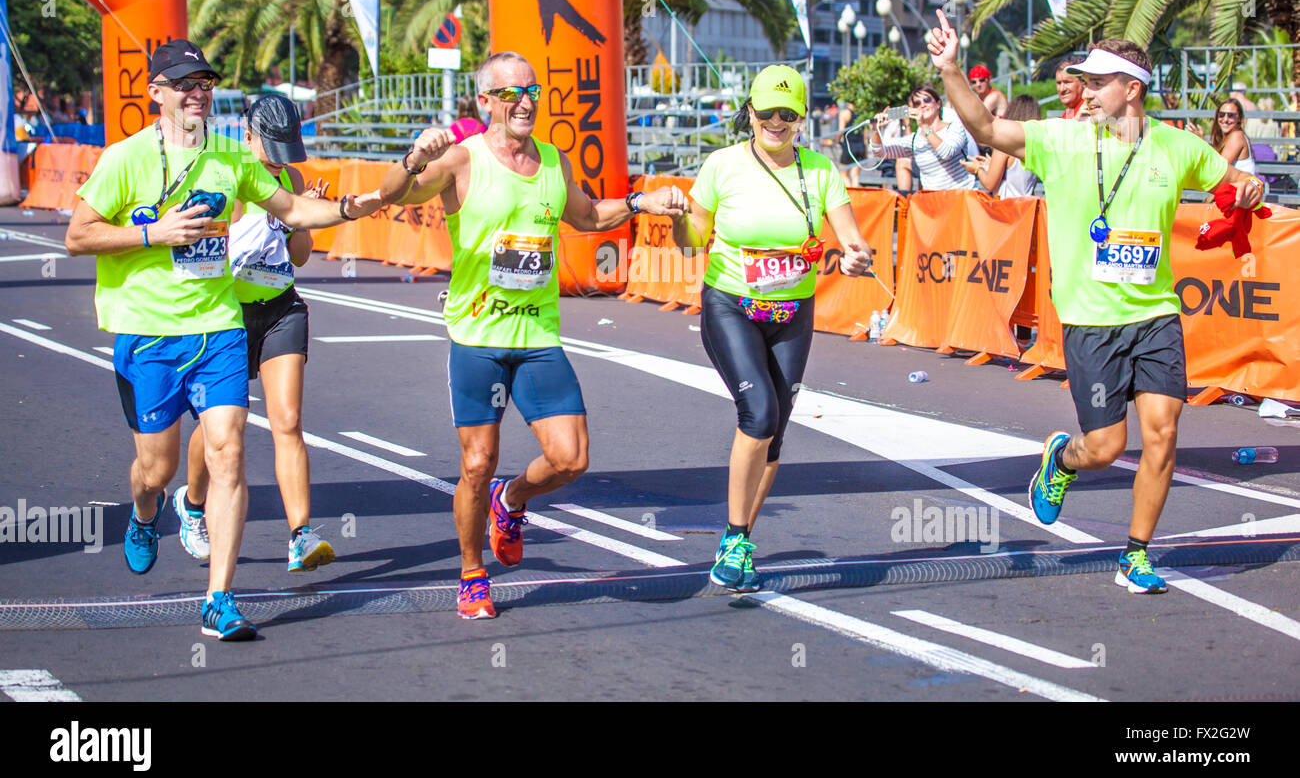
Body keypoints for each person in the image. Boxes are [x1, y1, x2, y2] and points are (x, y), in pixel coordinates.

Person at [926, 14, 1263, 594]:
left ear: (1131, 89)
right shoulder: (1062, 139)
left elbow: (1230, 180)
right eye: (1083, 80)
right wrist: (950, 67)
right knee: (1106, 447)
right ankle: (1061, 463)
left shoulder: (1178, 146)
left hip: (1155, 315)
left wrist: (1248, 187)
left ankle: (1136, 555)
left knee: (1163, 432)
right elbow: (983, 125)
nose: (1085, 89)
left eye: (1098, 81)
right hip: (1091, 324)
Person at [66, 39, 382, 640]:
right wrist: (155, 234)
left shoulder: (231, 160)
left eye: (205, 83)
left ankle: (219, 600)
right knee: (154, 469)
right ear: (156, 92)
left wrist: (349, 207)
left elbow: (293, 210)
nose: (197, 92)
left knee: (230, 454)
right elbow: (78, 237)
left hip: (218, 329)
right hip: (150, 334)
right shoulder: (124, 159)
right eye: (184, 83)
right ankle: (145, 510)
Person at [377, 50, 686, 620]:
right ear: (485, 102)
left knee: (571, 459)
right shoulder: (461, 162)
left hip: (538, 335)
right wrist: (414, 157)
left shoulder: (552, 161)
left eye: (533, 91)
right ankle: (472, 573)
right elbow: (391, 195)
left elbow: (589, 217)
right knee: (476, 463)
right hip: (477, 337)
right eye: (512, 92)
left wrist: (643, 202)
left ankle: (511, 500)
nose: (525, 101)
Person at [671, 64, 873, 592]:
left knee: (776, 432)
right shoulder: (722, 165)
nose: (776, 122)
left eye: (788, 113)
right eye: (767, 112)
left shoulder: (821, 171)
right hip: (731, 305)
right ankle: (736, 537)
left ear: (801, 117)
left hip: (791, 313)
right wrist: (677, 219)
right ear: (751, 113)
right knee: (757, 414)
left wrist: (855, 256)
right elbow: (692, 242)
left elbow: (853, 238)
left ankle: (738, 542)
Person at [180, 93, 334, 574]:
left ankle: (300, 536)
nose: (279, 162)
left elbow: (302, 256)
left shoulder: (291, 177)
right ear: (247, 137)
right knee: (220, 428)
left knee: (287, 421)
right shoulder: (223, 176)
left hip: (281, 309)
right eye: (271, 149)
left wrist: (306, 215)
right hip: (228, 316)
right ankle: (191, 503)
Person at [868, 84, 979, 192]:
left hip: (961, 198)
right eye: (917, 103)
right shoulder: (915, 140)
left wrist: (924, 126)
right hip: (933, 202)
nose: (923, 104)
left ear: (938, 104)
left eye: (927, 100)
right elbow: (880, 153)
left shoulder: (954, 127)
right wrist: (875, 129)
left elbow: (946, 153)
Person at [965, 94, 1041, 198]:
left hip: (1007, 207)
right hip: (1029, 207)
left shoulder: (1005, 145)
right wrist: (990, 165)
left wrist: (977, 169)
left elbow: (989, 184)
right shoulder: (1037, 145)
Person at [1199, 98, 1257, 176]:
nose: (1225, 119)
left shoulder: (1237, 136)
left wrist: (1203, 143)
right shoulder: (1225, 137)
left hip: (1239, 187)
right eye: (1221, 115)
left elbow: (1219, 167)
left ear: (1239, 118)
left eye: (1231, 115)